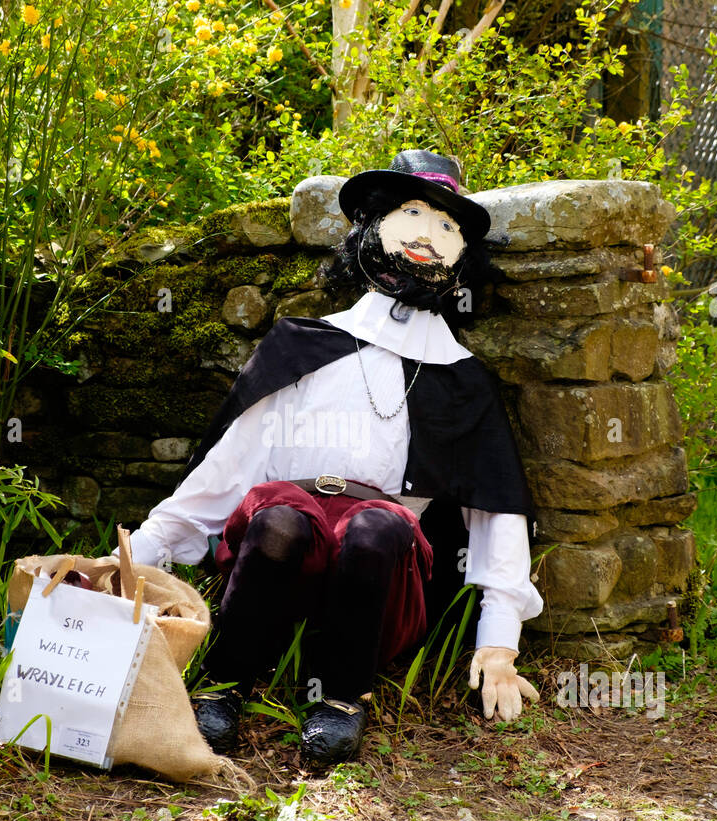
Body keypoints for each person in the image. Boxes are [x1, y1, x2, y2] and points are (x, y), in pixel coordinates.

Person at [125, 149, 544, 767]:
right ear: (371, 229)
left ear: (462, 257)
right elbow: (226, 468)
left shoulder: (461, 378)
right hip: (280, 553)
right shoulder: (302, 344)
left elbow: (497, 509)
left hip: (378, 573)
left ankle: (343, 698)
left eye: (447, 225)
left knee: (377, 527)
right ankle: (225, 685)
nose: (428, 234)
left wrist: (498, 643)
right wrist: (132, 557)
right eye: (411, 214)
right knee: (278, 520)